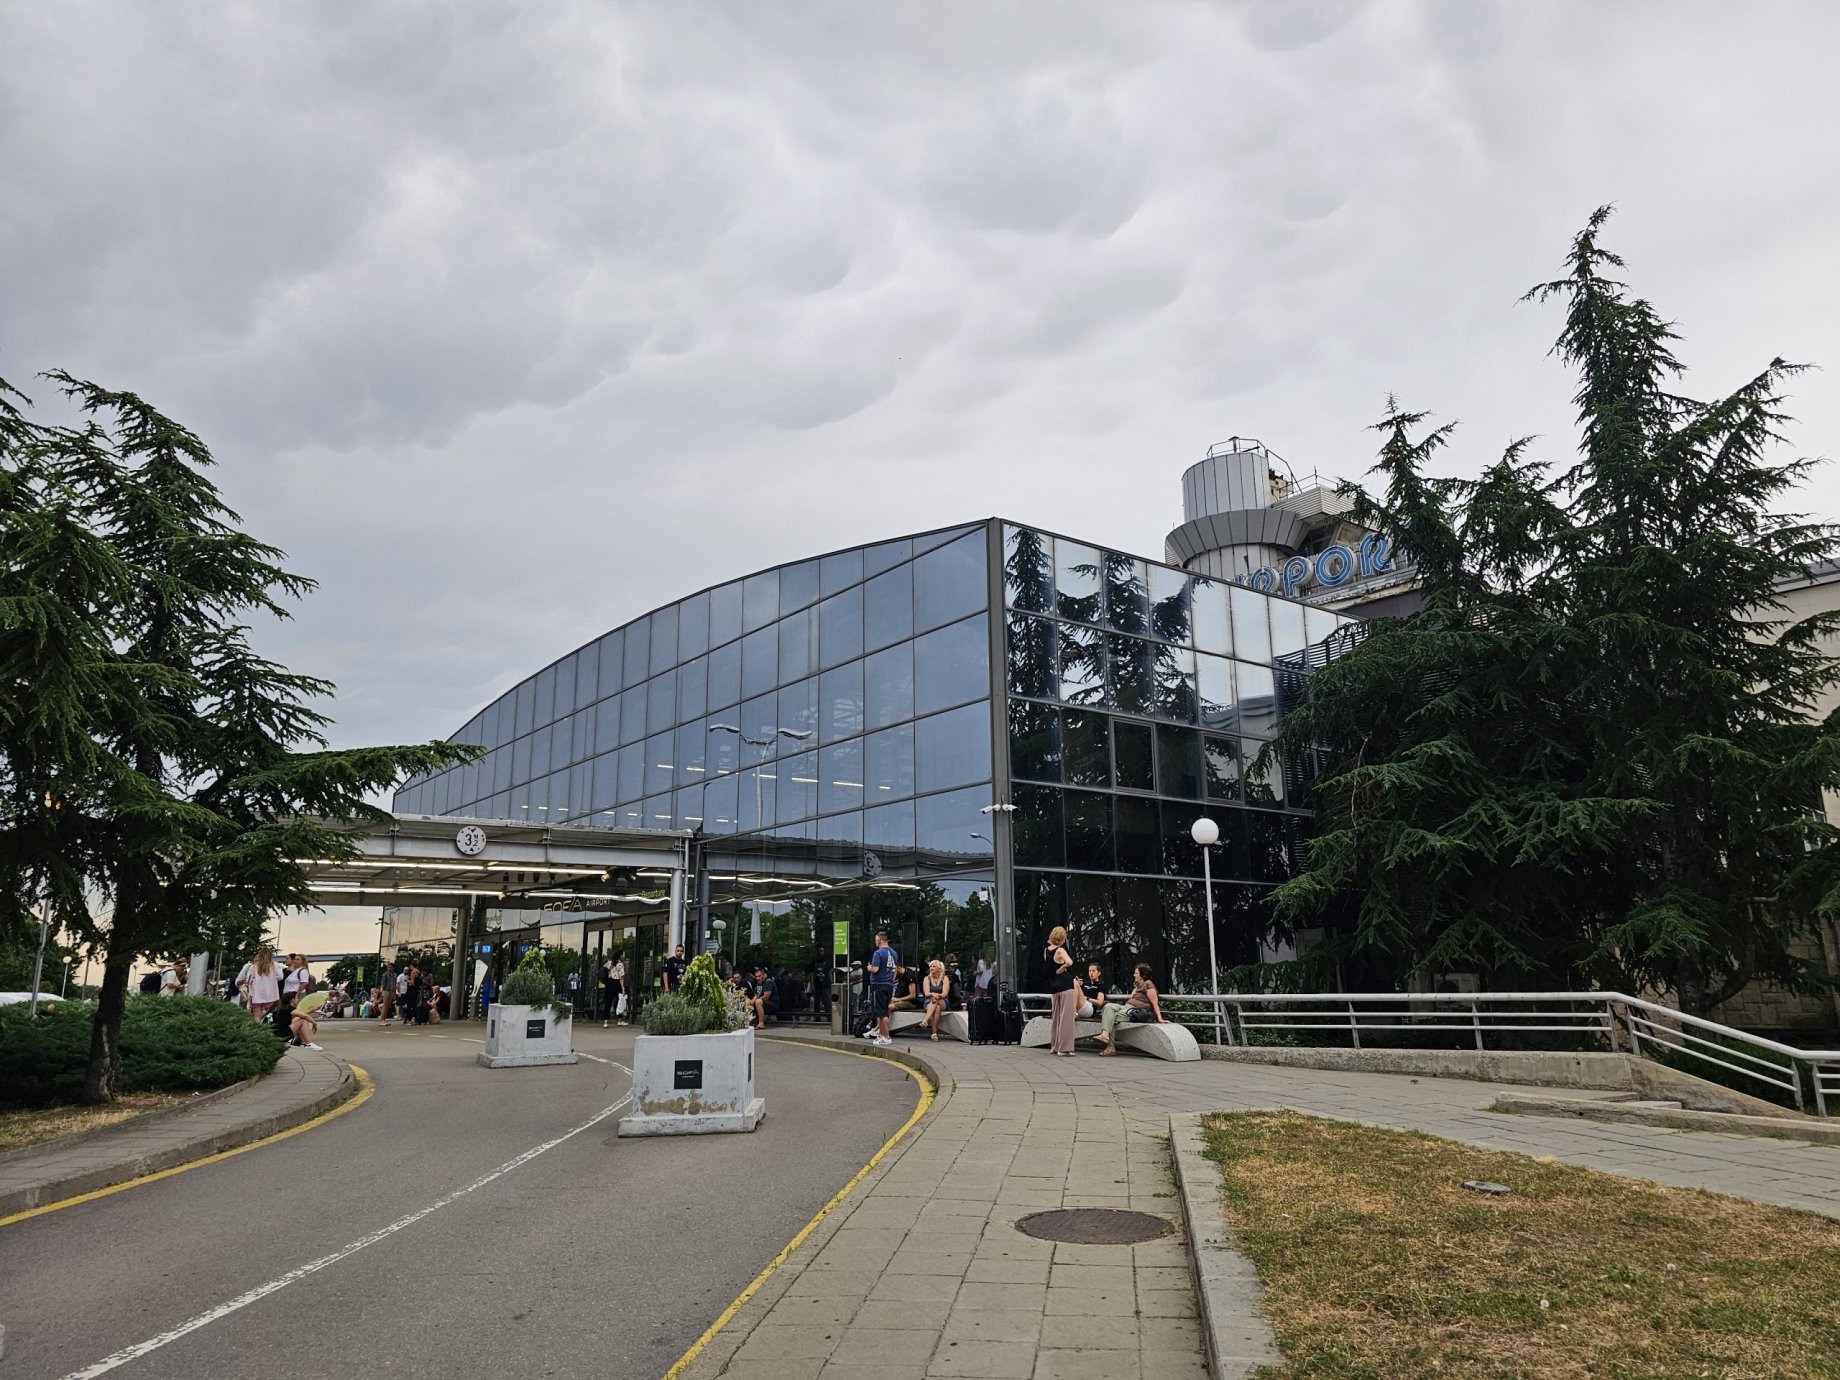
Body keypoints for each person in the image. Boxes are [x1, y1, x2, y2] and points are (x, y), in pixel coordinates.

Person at [1096, 962, 1168, 1054]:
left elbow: (1155, 1003)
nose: (1134, 975)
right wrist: (1136, 987)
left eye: (1136, 973)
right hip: (1126, 1007)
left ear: (1143, 975)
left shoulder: (1149, 984)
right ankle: (1105, 1035)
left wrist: (1160, 1018)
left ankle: (1110, 1047)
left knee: (1110, 1017)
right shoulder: (1138, 985)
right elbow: (1132, 997)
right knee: (1108, 1006)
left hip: (1135, 1011)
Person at [1044, 926, 1077, 1056]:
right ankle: (1064, 1048)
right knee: (1066, 1017)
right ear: (1062, 938)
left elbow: (1048, 970)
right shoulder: (1060, 950)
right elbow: (1070, 962)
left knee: (1056, 1017)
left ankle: (1055, 1046)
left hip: (1054, 987)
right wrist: (1062, 967)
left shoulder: (1046, 951)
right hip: (1066, 985)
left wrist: (1055, 972)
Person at [865, 929, 898, 1046]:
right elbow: (895, 970)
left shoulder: (878, 953)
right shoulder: (894, 953)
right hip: (889, 984)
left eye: (875, 939)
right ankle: (883, 1036)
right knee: (884, 1011)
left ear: (879, 940)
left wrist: (869, 968)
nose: (875, 942)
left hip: (878, 984)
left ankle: (885, 1036)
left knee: (881, 1013)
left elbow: (875, 969)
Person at [238, 948, 280, 1023]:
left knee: (257, 1015)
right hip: (270, 994)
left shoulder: (254, 966)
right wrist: (271, 980)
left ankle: (259, 1031)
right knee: (268, 1014)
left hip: (256, 994)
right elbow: (280, 976)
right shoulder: (275, 965)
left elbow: (249, 980)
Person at [921, 959, 951, 1041]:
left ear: (939, 968)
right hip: (929, 1000)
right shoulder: (927, 979)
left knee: (936, 1001)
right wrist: (933, 995)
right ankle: (934, 1034)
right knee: (936, 1007)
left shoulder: (945, 978)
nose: (931, 968)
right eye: (930, 966)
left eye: (934, 966)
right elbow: (926, 993)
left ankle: (925, 1020)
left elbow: (945, 993)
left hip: (943, 1000)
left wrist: (938, 996)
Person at [611, 954, 627, 1024]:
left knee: (614, 999)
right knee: (620, 1001)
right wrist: (623, 988)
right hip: (618, 984)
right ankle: (620, 1020)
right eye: (622, 955)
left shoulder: (612, 964)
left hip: (611, 983)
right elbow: (621, 978)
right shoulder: (620, 964)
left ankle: (610, 1013)